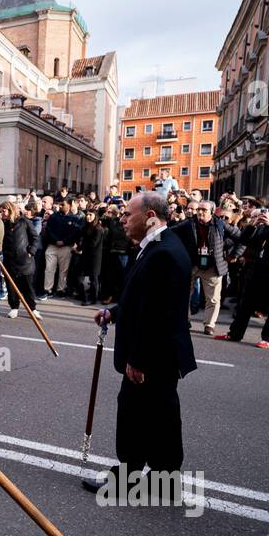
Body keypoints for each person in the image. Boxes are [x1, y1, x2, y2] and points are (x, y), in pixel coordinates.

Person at [82, 191, 196, 496]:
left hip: (153, 355)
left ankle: (130, 478)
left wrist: (138, 359)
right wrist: (114, 312)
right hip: (158, 352)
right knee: (160, 417)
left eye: (127, 215)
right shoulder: (156, 247)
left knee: (136, 416)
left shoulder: (164, 253)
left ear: (150, 217)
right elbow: (144, 298)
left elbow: (158, 314)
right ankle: (163, 480)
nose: (122, 219)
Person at [216, 200, 269, 349]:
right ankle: (234, 334)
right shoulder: (262, 228)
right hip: (256, 270)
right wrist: (253, 225)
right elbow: (244, 240)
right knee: (244, 306)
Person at [173, 201, 239, 335]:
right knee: (184, 295)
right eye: (198, 210)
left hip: (212, 266)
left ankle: (209, 324)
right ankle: (184, 321)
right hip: (192, 263)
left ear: (212, 212)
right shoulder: (189, 223)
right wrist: (152, 236)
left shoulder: (220, 224)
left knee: (213, 298)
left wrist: (231, 251)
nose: (200, 212)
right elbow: (171, 232)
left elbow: (239, 236)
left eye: (204, 210)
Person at [0, 200, 39, 318]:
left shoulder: (24, 221)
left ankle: (32, 308)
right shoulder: (2, 224)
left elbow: (35, 238)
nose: (2, 213)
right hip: (9, 260)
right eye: (1, 211)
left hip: (25, 261)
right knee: (11, 286)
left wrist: (31, 252)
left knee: (28, 286)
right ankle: (14, 307)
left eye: (4, 211)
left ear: (10, 210)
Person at [40, 197, 75, 298]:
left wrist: (64, 241)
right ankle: (48, 289)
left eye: (63, 204)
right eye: (59, 204)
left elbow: (74, 233)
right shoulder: (54, 217)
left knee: (64, 270)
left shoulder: (74, 218)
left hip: (66, 246)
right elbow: (49, 230)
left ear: (69, 205)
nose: (60, 206)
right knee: (49, 268)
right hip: (53, 246)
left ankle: (61, 289)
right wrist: (56, 241)